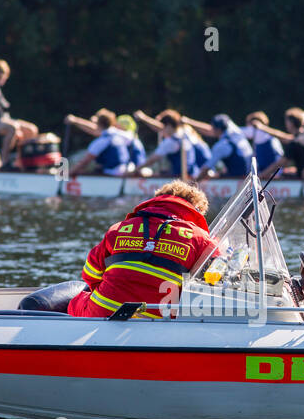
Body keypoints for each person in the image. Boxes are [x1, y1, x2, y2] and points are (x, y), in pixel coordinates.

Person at [68, 181, 218, 318]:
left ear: (157, 200)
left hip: (104, 312)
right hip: (161, 320)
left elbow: (89, 274)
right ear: (196, 212)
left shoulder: (119, 228)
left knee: (76, 301)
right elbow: (210, 286)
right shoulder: (201, 239)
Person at [138, 109, 211, 179]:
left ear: (169, 125)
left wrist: (134, 171)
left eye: (162, 128)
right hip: (193, 173)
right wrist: (144, 118)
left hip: (180, 177)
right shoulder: (186, 132)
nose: (161, 131)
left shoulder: (171, 141)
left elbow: (151, 160)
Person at [65, 109, 137, 176]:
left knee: (84, 165)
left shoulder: (102, 141)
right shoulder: (122, 134)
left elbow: (84, 162)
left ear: (98, 124)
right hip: (128, 168)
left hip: (114, 172)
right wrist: (75, 121)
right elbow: (95, 129)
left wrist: (67, 174)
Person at [186, 113, 254, 180]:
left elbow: (206, 168)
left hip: (237, 181)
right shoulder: (238, 133)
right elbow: (209, 130)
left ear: (217, 130)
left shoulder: (221, 145)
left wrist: (194, 182)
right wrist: (189, 122)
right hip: (248, 177)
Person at [260, 107, 304, 180]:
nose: (286, 124)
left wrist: (260, 176)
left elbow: (280, 164)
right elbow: (284, 137)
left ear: (291, 123)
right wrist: (262, 128)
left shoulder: (295, 143)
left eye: (287, 121)